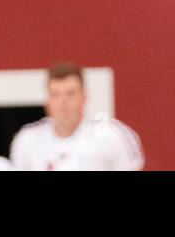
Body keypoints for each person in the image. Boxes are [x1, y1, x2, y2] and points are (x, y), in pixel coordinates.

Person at [7, 63, 144, 170]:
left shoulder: (111, 135)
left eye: (70, 93)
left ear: (83, 97)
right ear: (47, 101)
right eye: (56, 94)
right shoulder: (28, 140)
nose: (63, 102)